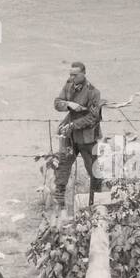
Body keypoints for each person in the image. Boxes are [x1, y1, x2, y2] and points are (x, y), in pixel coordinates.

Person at [53, 61, 104, 206]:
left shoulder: (93, 92)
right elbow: (57, 103)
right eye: (70, 74)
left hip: (87, 136)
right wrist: (69, 104)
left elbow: (93, 117)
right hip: (70, 136)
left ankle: (96, 201)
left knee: (93, 169)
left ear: (84, 74)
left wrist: (73, 125)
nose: (71, 77)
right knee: (63, 164)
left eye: (75, 74)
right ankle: (60, 197)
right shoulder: (68, 85)